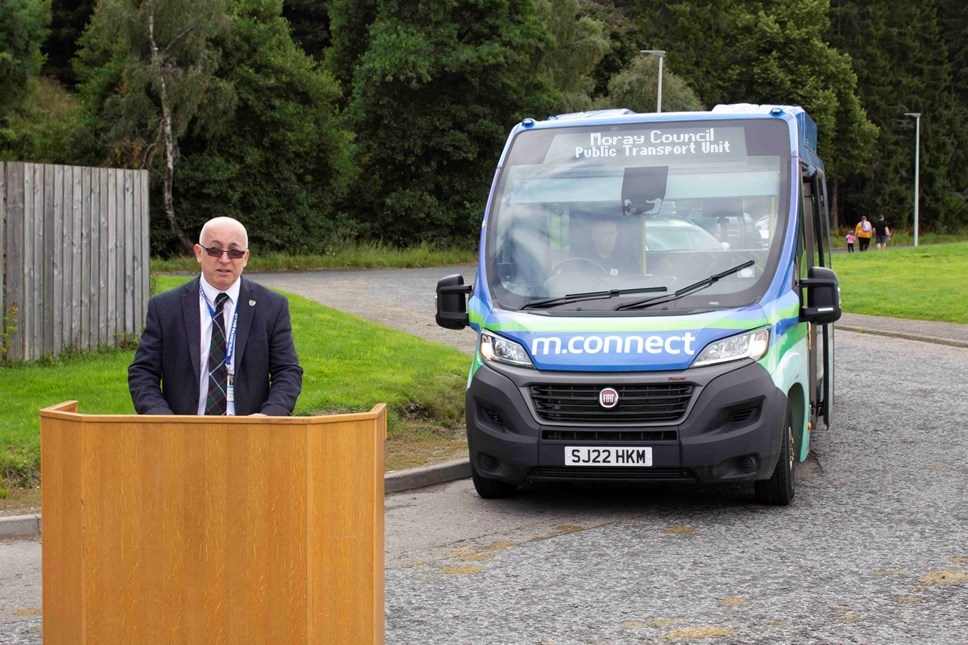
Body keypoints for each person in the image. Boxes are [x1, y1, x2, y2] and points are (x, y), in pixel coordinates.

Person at [129, 216, 303, 416]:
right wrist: (164, 420)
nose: (224, 259)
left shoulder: (272, 307)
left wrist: (268, 417)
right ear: (199, 253)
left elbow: (287, 371)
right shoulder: (165, 308)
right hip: (183, 434)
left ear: (245, 257)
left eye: (235, 252)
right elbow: (142, 372)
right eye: (214, 250)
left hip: (250, 434)